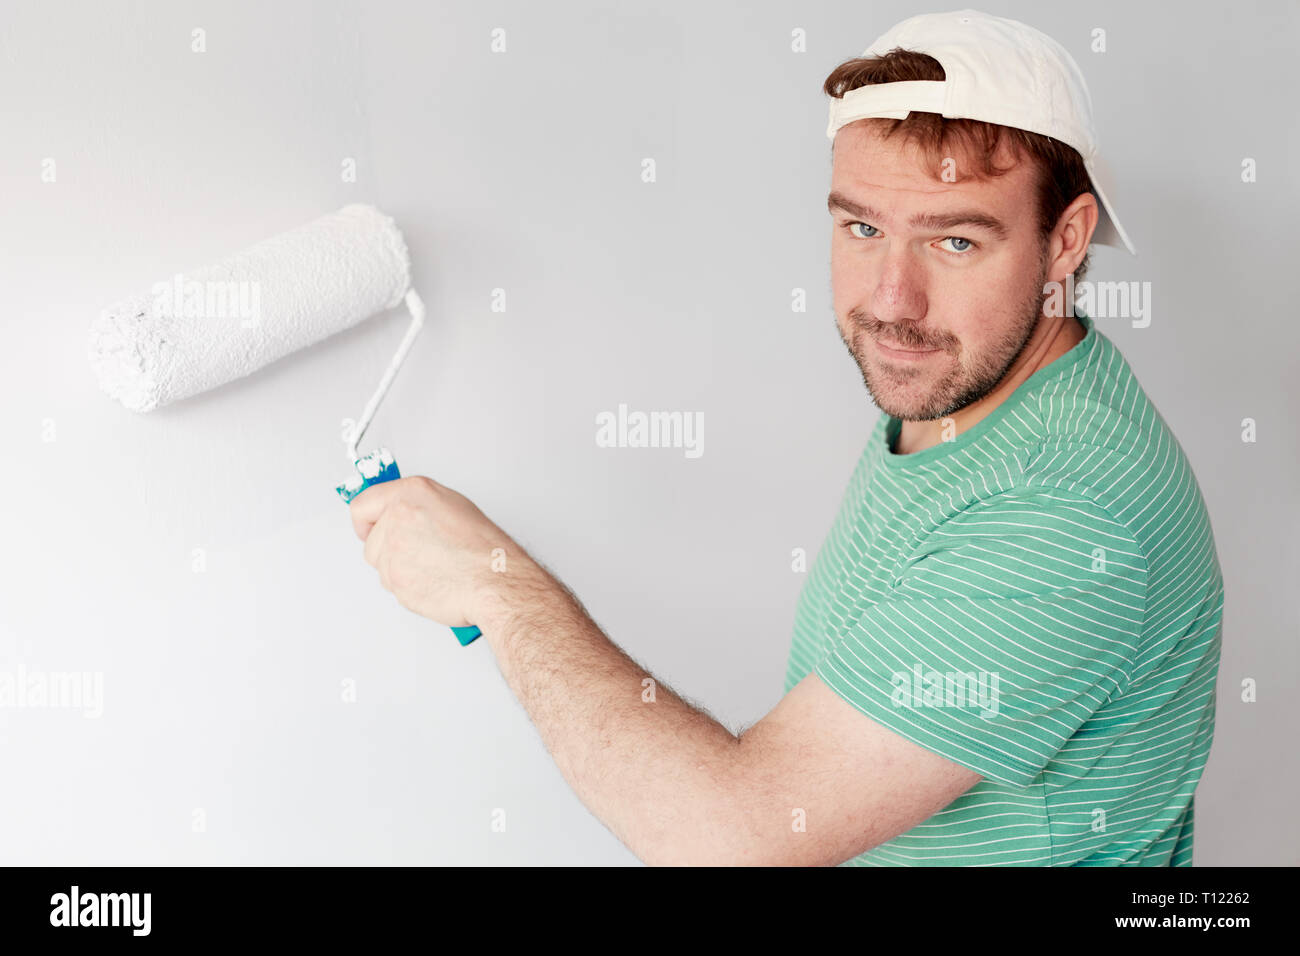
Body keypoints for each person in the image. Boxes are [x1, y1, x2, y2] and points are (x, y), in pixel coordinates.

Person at [349, 9, 1223, 866]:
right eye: (863, 228)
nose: (891, 300)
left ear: (1065, 239)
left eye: (954, 240)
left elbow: (736, 840)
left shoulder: (1063, 512)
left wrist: (498, 589)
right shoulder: (968, 389)